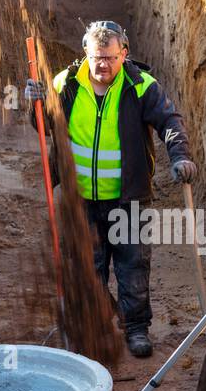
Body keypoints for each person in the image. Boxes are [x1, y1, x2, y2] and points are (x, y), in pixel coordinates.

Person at [25, 21, 196, 358]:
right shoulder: (66, 83)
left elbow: (170, 122)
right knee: (89, 268)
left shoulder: (140, 86)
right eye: (96, 58)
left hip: (127, 197)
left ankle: (135, 330)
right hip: (81, 199)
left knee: (133, 266)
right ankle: (95, 326)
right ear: (86, 54)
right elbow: (45, 126)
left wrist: (180, 157)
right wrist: (35, 104)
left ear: (124, 53)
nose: (102, 65)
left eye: (110, 58)